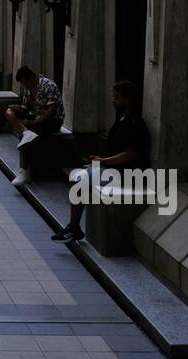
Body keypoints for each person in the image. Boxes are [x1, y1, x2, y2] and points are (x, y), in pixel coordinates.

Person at [52, 80, 151, 243]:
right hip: (112, 169)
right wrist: (98, 162)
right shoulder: (122, 119)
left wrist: (102, 161)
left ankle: (73, 228)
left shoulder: (135, 122)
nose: (113, 100)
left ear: (128, 99)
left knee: (78, 180)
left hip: (127, 174)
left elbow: (131, 154)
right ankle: (73, 227)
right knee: (80, 175)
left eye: (117, 97)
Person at [5, 65, 65, 187]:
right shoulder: (29, 88)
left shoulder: (48, 86)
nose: (25, 86)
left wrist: (33, 123)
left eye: (25, 82)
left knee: (28, 136)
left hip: (51, 120)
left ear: (32, 78)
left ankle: (24, 171)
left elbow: (51, 111)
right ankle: (25, 131)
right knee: (9, 113)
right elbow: (26, 107)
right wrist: (19, 109)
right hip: (35, 115)